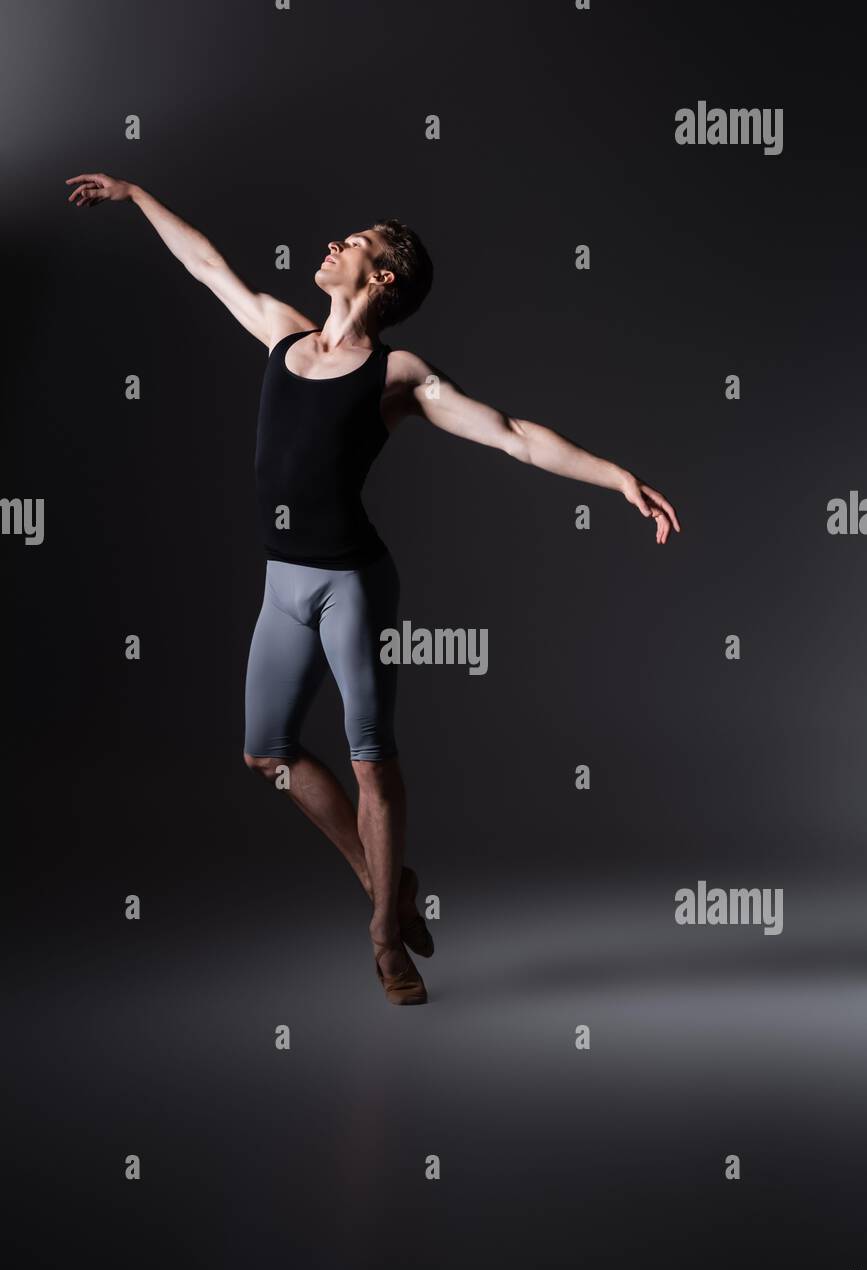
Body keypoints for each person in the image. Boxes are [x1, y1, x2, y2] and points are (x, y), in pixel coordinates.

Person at [65, 172, 682, 1007]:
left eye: (351, 244)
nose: (333, 244)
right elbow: (208, 266)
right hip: (281, 580)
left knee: (372, 764)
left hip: (352, 584)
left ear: (380, 277)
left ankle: (387, 940)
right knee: (265, 752)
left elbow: (510, 436)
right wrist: (137, 196)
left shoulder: (395, 373)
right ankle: (384, 881)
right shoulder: (283, 336)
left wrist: (617, 478)